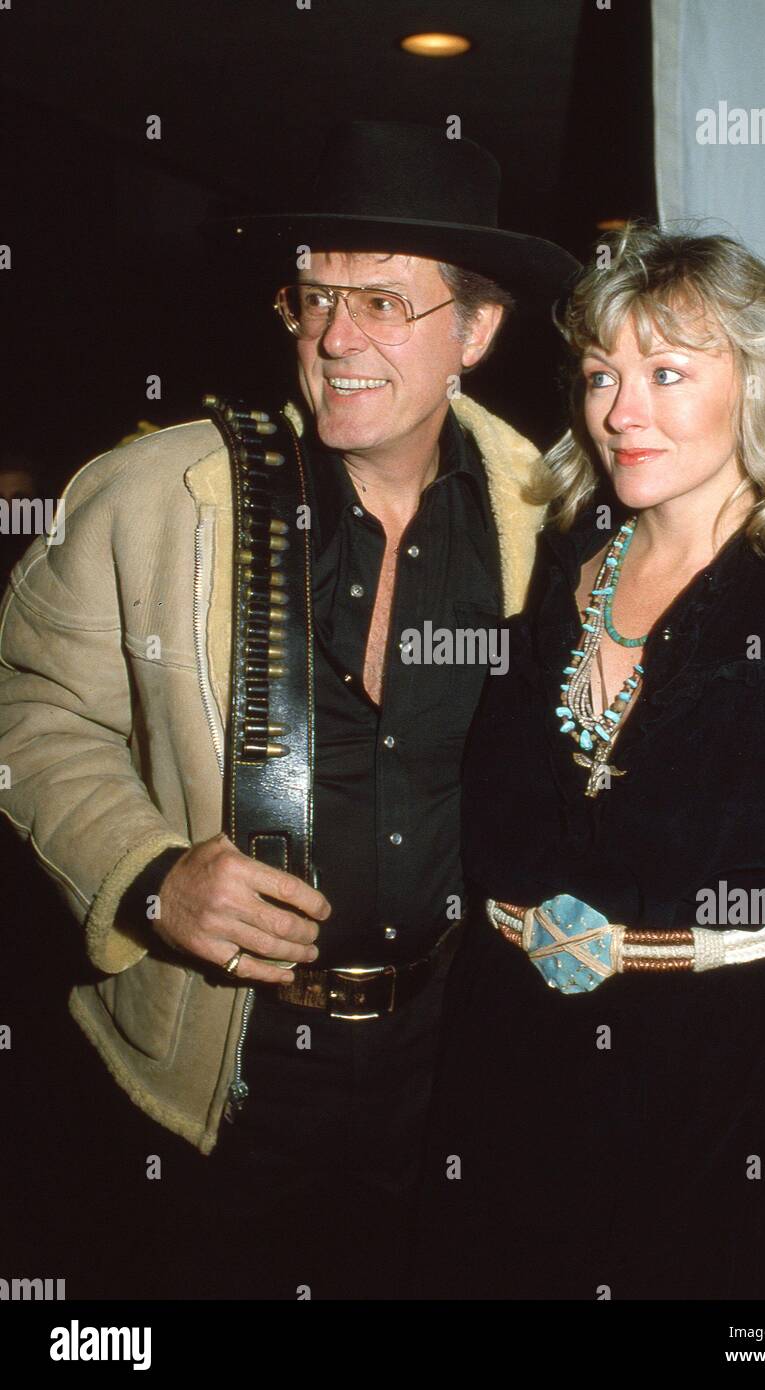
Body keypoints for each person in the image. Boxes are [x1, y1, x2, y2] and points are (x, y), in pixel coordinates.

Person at [0, 120, 578, 1299]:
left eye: (379, 302)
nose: (333, 336)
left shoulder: (548, 516)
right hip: (218, 1073)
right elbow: (29, 701)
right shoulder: (161, 493)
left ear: (476, 330)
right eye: (312, 297)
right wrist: (150, 874)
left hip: (450, 1067)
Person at [416, 225, 765, 1300]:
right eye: (600, 374)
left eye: (667, 372)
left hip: (723, 1124)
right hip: (505, 1102)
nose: (619, 410)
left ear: (761, 384)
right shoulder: (551, 574)